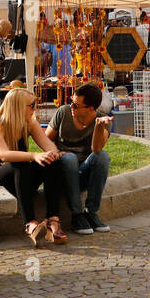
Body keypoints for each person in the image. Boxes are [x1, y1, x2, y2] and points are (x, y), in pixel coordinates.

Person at [0, 85, 68, 247]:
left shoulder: (29, 122)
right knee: (22, 162)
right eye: (32, 105)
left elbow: (49, 147)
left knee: (52, 162)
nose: (35, 108)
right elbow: (3, 154)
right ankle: (30, 223)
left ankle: (53, 220)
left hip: (21, 177)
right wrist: (33, 155)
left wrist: (52, 154)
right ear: (18, 107)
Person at [47, 83, 113, 235]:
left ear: (91, 108)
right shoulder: (63, 112)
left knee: (102, 156)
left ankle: (91, 212)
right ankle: (77, 214)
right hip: (63, 173)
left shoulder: (102, 120)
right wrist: (56, 152)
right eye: (71, 102)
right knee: (69, 158)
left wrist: (98, 127)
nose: (71, 107)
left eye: (76, 105)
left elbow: (96, 149)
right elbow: (46, 140)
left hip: (82, 175)